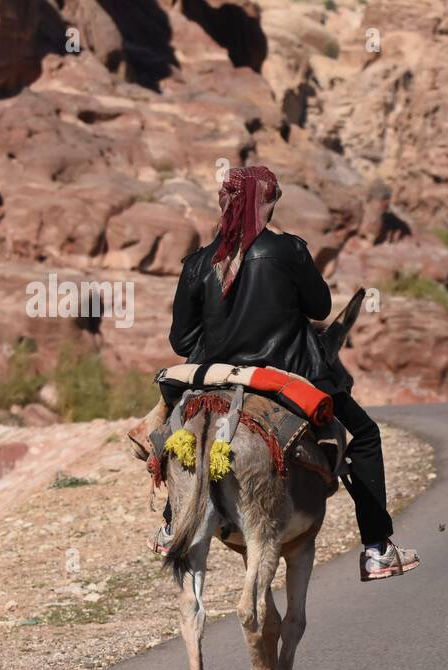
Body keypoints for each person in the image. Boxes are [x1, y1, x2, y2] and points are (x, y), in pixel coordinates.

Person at [131, 165, 418, 582]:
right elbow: (320, 309)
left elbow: (180, 340)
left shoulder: (197, 263)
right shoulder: (288, 251)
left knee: (178, 429)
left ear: (223, 203)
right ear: (265, 203)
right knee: (366, 434)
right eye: (271, 200)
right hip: (288, 375)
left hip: (214, 377)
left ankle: (173, 520)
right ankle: (377, 548)